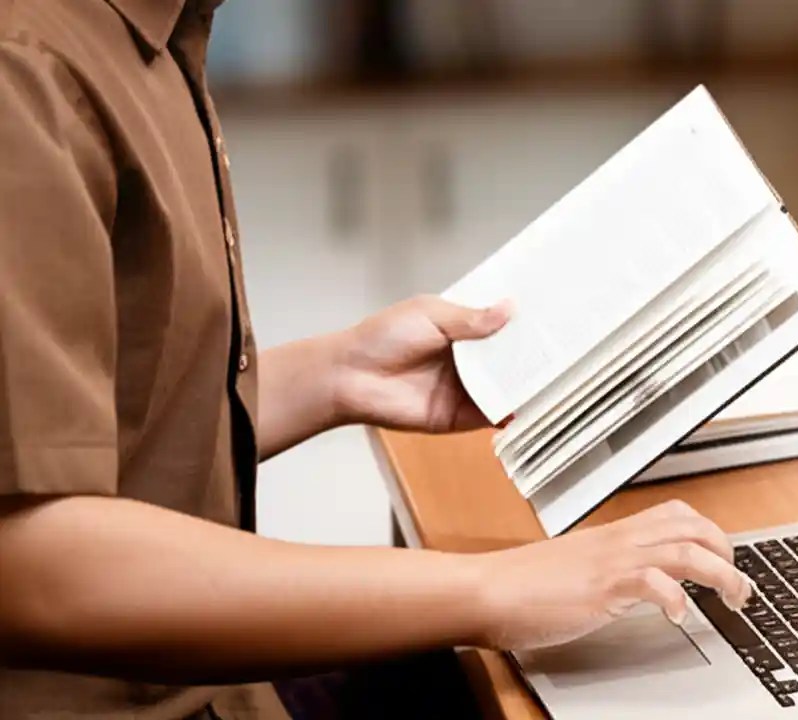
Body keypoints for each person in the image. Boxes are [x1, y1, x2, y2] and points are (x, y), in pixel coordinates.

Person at [0, 1, 752, 718]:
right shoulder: (27, 70)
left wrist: (338, 376)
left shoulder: (149, 38)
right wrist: (495, 588)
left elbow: (108, 433)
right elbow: (34, 564)